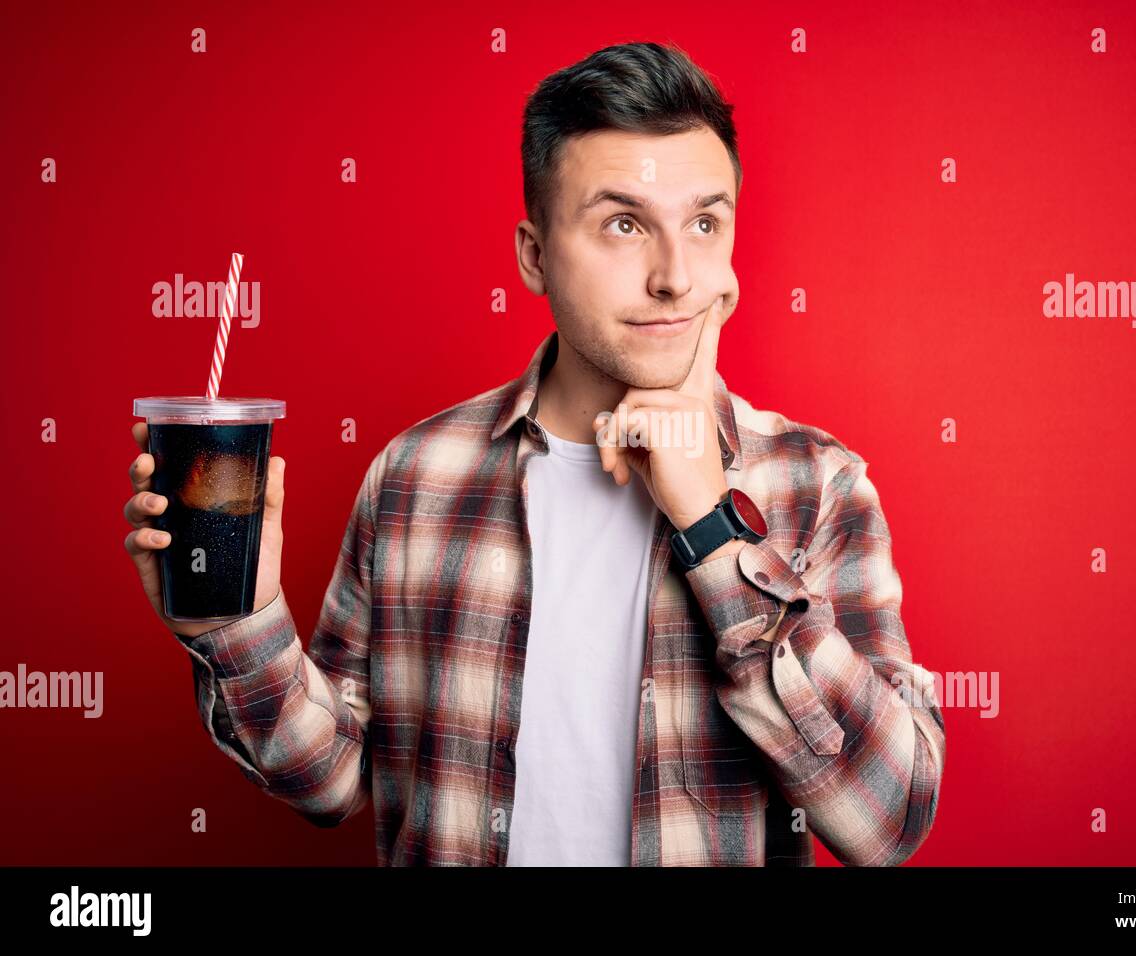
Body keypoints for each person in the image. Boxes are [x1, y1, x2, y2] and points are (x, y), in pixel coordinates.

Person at [122, 41, 945, 866]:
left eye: (703, 222)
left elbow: (889, 823)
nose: (675, 277)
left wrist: (712, 531)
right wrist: (238, 626)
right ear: (534, 256)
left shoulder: (816, 484)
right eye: (623, 224)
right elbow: (331, 783)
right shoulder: (414, 477)